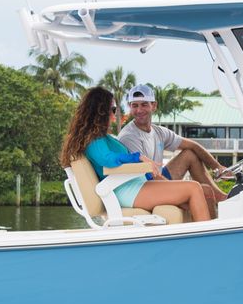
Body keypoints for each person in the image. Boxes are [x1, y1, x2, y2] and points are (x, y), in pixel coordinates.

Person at [60, 86, 210, 223]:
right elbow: (108, 160)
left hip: (135, 185)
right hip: (127, 190)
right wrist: (137, 157)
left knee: (205, 192)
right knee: (194, 188)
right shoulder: (94, 140)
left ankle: (204, 238)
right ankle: (209, 243)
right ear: (101, 111)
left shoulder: (104, 137)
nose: (115, 114)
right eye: (113, 110)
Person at [118, 84, 229, 215]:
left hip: (159, 177)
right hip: (146, 186)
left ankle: (222, 198)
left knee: (189, 154)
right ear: (130, 107)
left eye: (144, 104)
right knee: (204, 191)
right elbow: (148, 176)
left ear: (154, 106)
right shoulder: (129, 136)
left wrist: (218, 167)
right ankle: (213, 231)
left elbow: (192, 145)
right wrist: (179, 191)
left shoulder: (159, 132)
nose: (139, 110)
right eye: (134, 105)